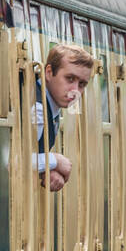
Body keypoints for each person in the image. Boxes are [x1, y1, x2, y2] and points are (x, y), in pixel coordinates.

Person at [33, 43, 94, 191]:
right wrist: (55, 161)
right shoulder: (38, 109)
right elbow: (13, 162)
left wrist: (45, 169)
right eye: (70, 79)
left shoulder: (49, 102)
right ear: (48, 72)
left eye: (82, 84)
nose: (75, 91)